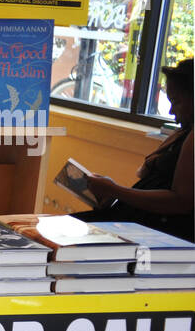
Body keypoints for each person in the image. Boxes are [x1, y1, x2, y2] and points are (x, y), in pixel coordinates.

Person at [80, 57, 193, 241]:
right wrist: (113, 194)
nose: (172, 111)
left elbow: (180, 202)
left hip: (157, 230)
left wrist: (115, 190)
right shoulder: (184, 132)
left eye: (177, 102)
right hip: (134, 218)